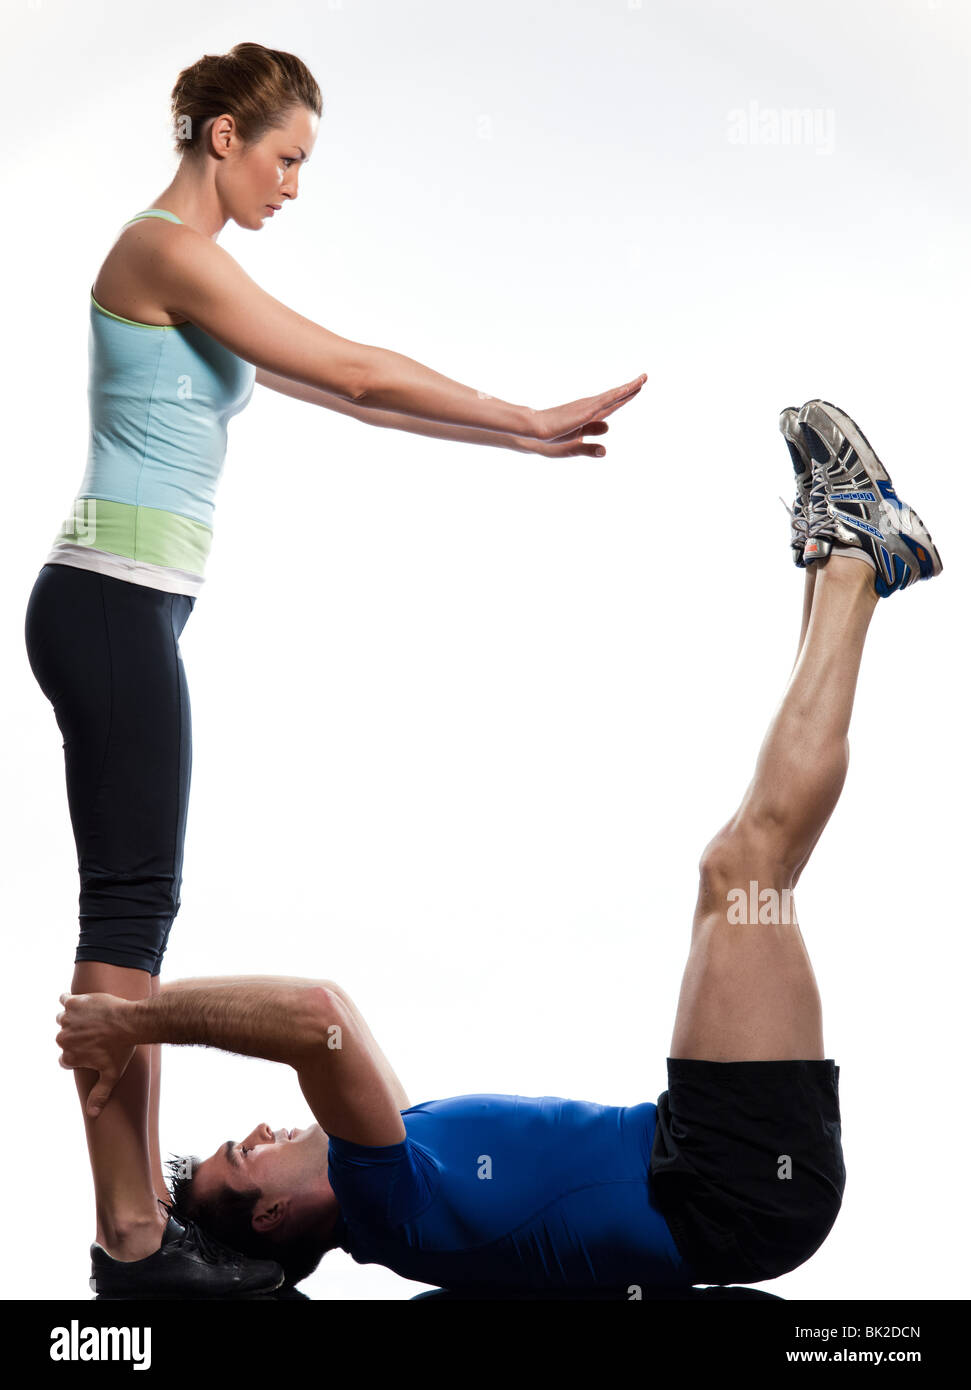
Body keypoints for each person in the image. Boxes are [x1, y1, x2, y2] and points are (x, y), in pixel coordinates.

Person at [55, 399, 942, 1297]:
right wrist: (133, 1017)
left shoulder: (401, 1156)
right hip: (727, 1186)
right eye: (239, 1163)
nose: (254, 1134)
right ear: (276, 1218)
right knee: (745, 870)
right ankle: (859, 553)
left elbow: (336, 1038)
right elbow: (314, 1018)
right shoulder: (387, 1202)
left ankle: (840, 550)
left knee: (750, 869)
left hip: (701, 1158)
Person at [24, 40, 646, 1300]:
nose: (294, 186)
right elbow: (357, 366)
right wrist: (523, 416)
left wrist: (511, 445)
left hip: (130, 613)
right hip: (105, 606)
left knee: (138, 917)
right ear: (218, 137)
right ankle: (132, 1244)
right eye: (286, 158)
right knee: (127, 920)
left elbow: (361, 402)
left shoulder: (202, 277)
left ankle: (143, 1225)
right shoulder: (164, 252)